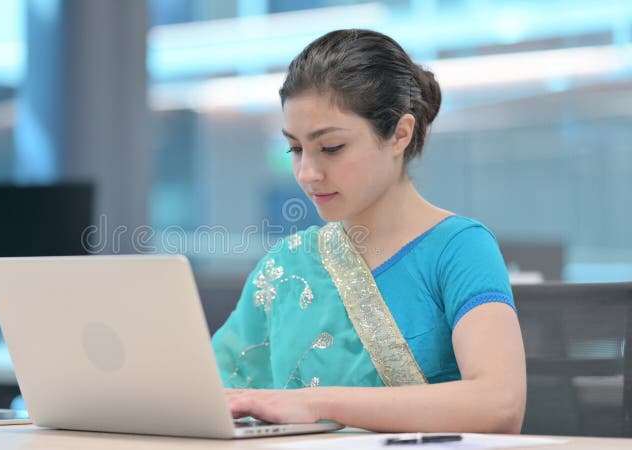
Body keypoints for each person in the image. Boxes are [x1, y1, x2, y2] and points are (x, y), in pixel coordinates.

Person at [211, 29, 526, 433]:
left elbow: (500, 404)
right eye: (295, 148)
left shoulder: (459, 248)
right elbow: (210, 396)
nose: (307, 173)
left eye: (331, 148)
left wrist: (317, 403)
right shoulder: (286, 265)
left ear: (399, 134)